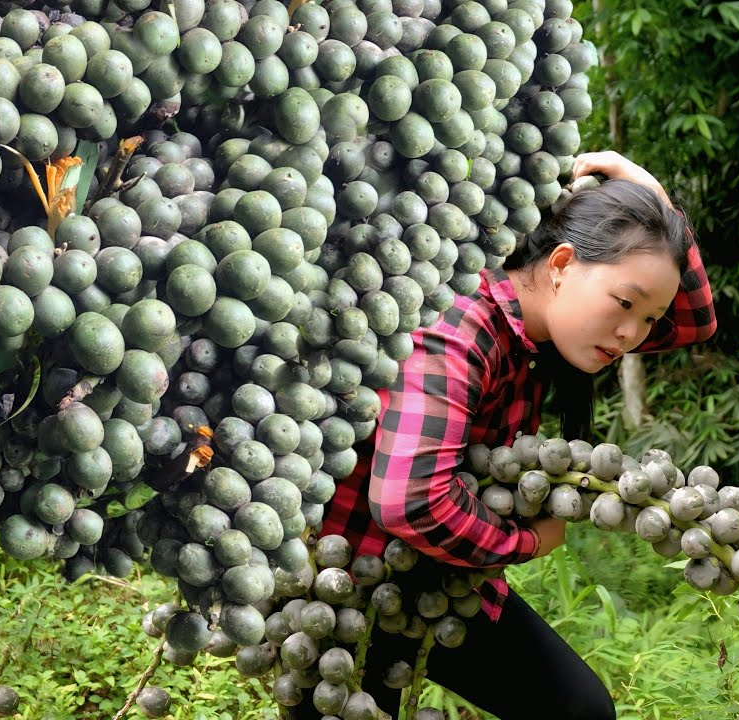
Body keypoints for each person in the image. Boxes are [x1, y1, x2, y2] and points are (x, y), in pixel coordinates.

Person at [304, 151, 718, 719]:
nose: (632, 333)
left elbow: (694, 321)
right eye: (625, 304)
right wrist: (525, 543)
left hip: (438, 582)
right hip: (346, 589)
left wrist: (657, 202)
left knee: (578, 710)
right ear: (562, 263)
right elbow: (408, 500)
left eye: (647, 318)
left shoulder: (553, 332)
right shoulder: (462, 330)